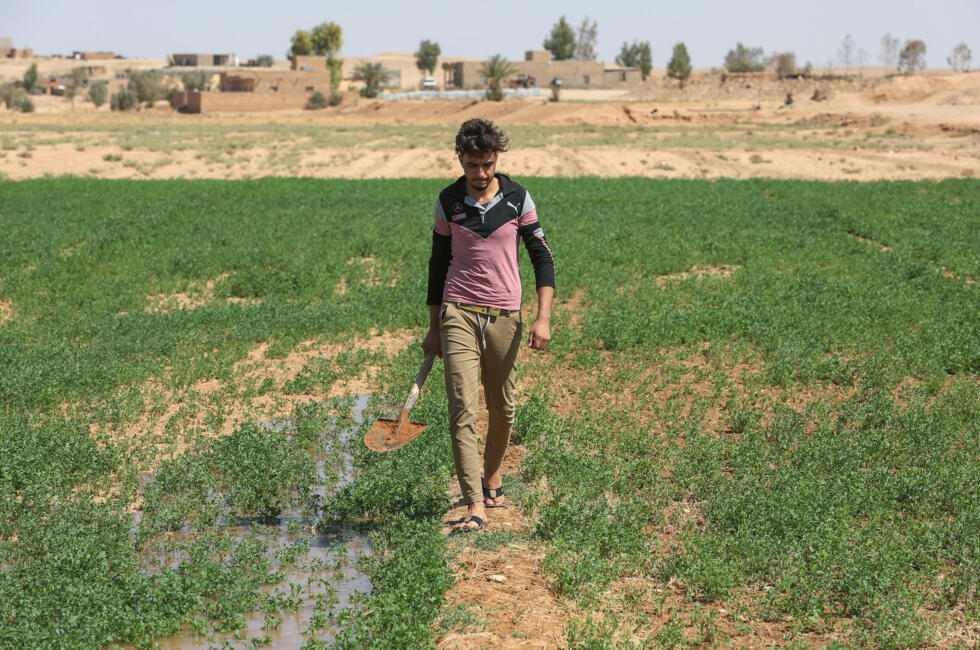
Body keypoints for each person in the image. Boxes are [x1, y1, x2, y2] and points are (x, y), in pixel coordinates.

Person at [422, 118, 555, 533]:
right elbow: (437, 264)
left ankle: (492, 474)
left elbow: (542, 257)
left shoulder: (517, 198)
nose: (480, 174)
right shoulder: (448, 200)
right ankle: (474, 504)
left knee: (502, 407)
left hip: (505, 316)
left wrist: (543, 316)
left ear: (496, 159)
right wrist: (433, 326)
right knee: (462, 408)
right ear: (460, 159)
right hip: (458, 312)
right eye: (472, 165)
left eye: (487, 164)